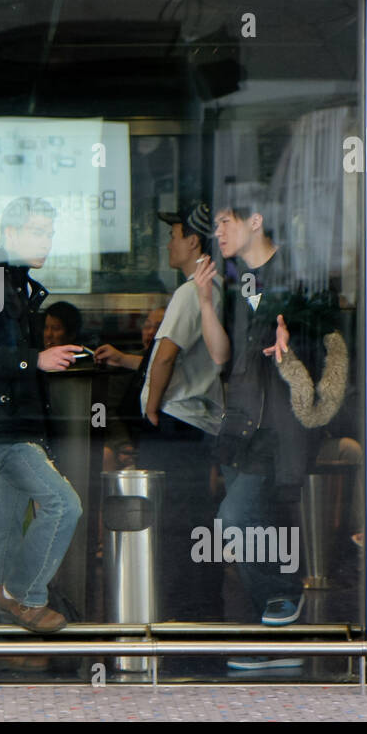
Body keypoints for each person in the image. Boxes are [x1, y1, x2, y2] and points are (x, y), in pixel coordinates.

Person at [194, 186, 342, 669]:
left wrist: (290, 338)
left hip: (279, 426)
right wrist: (205, 302)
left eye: (225, 222)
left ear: (255, 221)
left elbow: (328, 336)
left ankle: (281, 598)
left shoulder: (295, 277)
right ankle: (276, 639)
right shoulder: (241, 281)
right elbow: (222, 356)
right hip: (241, 421)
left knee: (235, 519)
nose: (217, 233)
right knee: (250, 525)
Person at [0, 196, 83, 632]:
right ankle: (21, 595)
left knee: (0, 538)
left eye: (51, 232)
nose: (48, 241)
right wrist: (34, 360)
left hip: (5, 426)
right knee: (63, 504)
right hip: (2, 429)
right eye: (39, 232)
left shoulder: (13, 282)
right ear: (9, 235)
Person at [139, 201, 225, 622]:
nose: (168, 244)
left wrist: (151, 409)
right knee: (193, 522)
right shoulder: (210, 289)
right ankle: (197, 613)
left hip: (179, 422)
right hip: (195, 423)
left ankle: (184, 615)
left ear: (193, 241)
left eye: (173, 236)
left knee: (176, 525)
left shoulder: (191, 292)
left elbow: (167, 355)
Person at [94, 305, 165, 470]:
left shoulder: (179, 367)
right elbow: (108, 410)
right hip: (129, 443)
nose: (151, 332)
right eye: (147, 326)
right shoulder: (125, 365)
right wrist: (124, 445)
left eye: (159, 327)